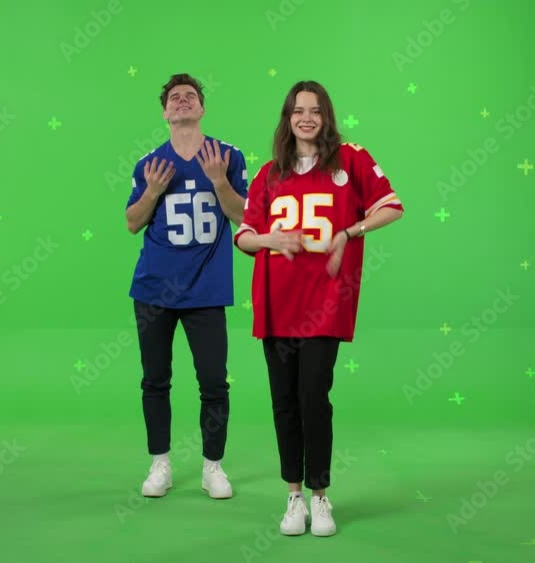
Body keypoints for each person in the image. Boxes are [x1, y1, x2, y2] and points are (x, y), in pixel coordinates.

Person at [233, 80, 404, 536]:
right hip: (276, 302)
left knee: (314, 396)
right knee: (283, 402)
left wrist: (348, 233)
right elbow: (246, 235)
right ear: (287, 119)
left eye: (314, 110)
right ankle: (293, 497)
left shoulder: (351, 159)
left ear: (326, 116)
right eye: (297, 111)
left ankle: (321, 496)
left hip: (325, 301)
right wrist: (272, 239)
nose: (306, 118)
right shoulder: (269, 172)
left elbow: (392, 207)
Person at [125, 73, 248, 500]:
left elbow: (244, 216)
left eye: (190, 96)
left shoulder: (227, 155)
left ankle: (212, 466)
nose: (182, 102)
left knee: (214, 381)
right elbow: (132, 222)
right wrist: (154, 191)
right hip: (154, 289)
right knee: (155, 380)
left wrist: (219, 181)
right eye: (174, 98)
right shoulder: (149, 163)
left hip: (207, 289)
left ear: (201, 108)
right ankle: (160, 463)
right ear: (164, 112)